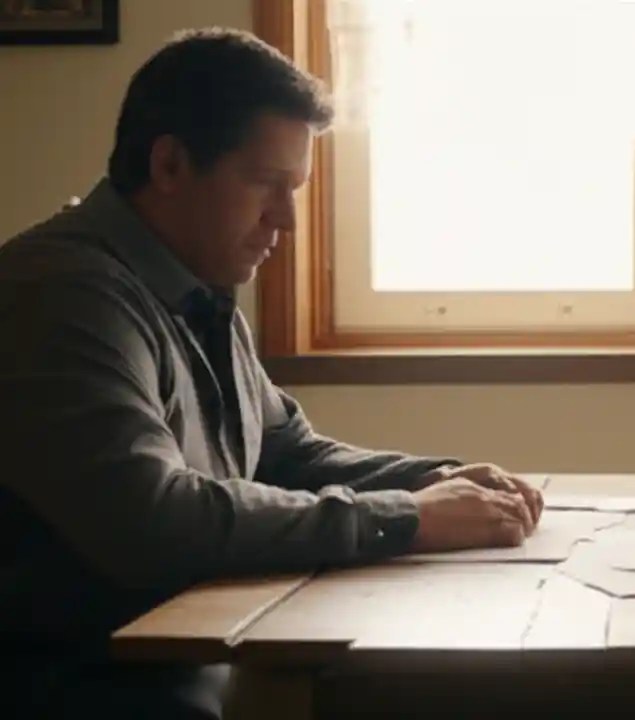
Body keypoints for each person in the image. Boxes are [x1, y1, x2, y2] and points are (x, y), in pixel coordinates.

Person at [0, 27, 544, 719]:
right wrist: (409, 518)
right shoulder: (60, 294)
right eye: (266, 183)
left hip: (185, 666)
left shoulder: (192, 284)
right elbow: (152, 522)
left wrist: (437, 479)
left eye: (296, 189)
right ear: (169, 164)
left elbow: (285, 452)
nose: (286, 220)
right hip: (78, 691)